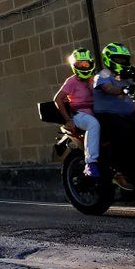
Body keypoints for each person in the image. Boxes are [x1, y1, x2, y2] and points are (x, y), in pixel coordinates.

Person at [93, 41, 135, 189]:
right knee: (125, 132)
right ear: (109, 59)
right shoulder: (103, 75)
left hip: (126, 115)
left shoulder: (125, 79)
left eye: (124, 59)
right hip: (107, 116)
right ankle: (117, 172)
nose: (122, 61)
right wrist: (123, 90)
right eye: (118, 59)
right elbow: (108, 89)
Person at [54, 47, 101, 178]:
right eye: (80, 64)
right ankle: (90, 163)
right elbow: (57, 99)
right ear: (74, 66)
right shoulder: (72, 81)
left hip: (96, 112)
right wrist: (68, 119)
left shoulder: (95, 78)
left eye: (86, 63)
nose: (83, 66)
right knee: (93, 124)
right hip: (80, 114)